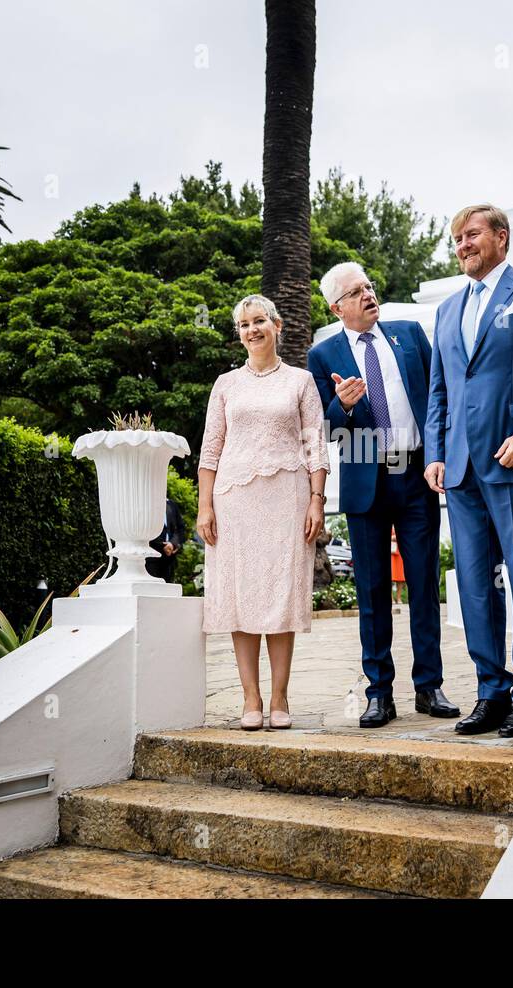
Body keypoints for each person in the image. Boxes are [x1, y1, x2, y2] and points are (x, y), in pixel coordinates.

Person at [424, 204, 513, 738]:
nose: (462, 245)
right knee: (476, 585)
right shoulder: (447, 309)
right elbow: (439, 390)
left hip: (512, 456)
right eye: (456, 238)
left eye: (472, 234)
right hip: (459, 469)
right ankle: (491, 691)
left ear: (502, 237)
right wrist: (435, 452)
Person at [308, 262, 455, 729]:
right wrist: (343, 405)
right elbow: (323, 426)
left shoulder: (409, 335)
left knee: (424, 585)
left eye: (369, 286)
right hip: (364, 480)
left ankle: (430, 687)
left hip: (415, 474)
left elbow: (438, 398)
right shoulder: (323, 353)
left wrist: (439, 454)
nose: (368, 295)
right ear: (337, 307)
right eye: (356, 292)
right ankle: (379, 693)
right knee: (371, 593)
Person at [197, 294, 329, 731]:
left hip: (287, 500)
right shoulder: (225, 385)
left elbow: (315, 445)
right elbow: (210, 449)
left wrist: (316, 499)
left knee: (280, 594)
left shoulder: (301, 381)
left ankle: (279, 696)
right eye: (244, 324)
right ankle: (250, 697)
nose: (252, 329)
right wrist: (204, 507)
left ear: (277, 326)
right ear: (239, 334)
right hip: (234, 502)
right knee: (241, 597)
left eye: (259, 321)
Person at [145, 497, 184, 583]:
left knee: (168, 587)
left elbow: (180, 528)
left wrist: (173, 544)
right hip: (151, 555)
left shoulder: (171, 504)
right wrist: (162, 545)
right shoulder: (147, 504)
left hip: (169, 557)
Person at [389, 527, 405, 603]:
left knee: (400, 577)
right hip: (391, 553)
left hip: (400, 553)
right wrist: (392, 537)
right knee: (390, 576)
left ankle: (399, 598)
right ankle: (391, 598)